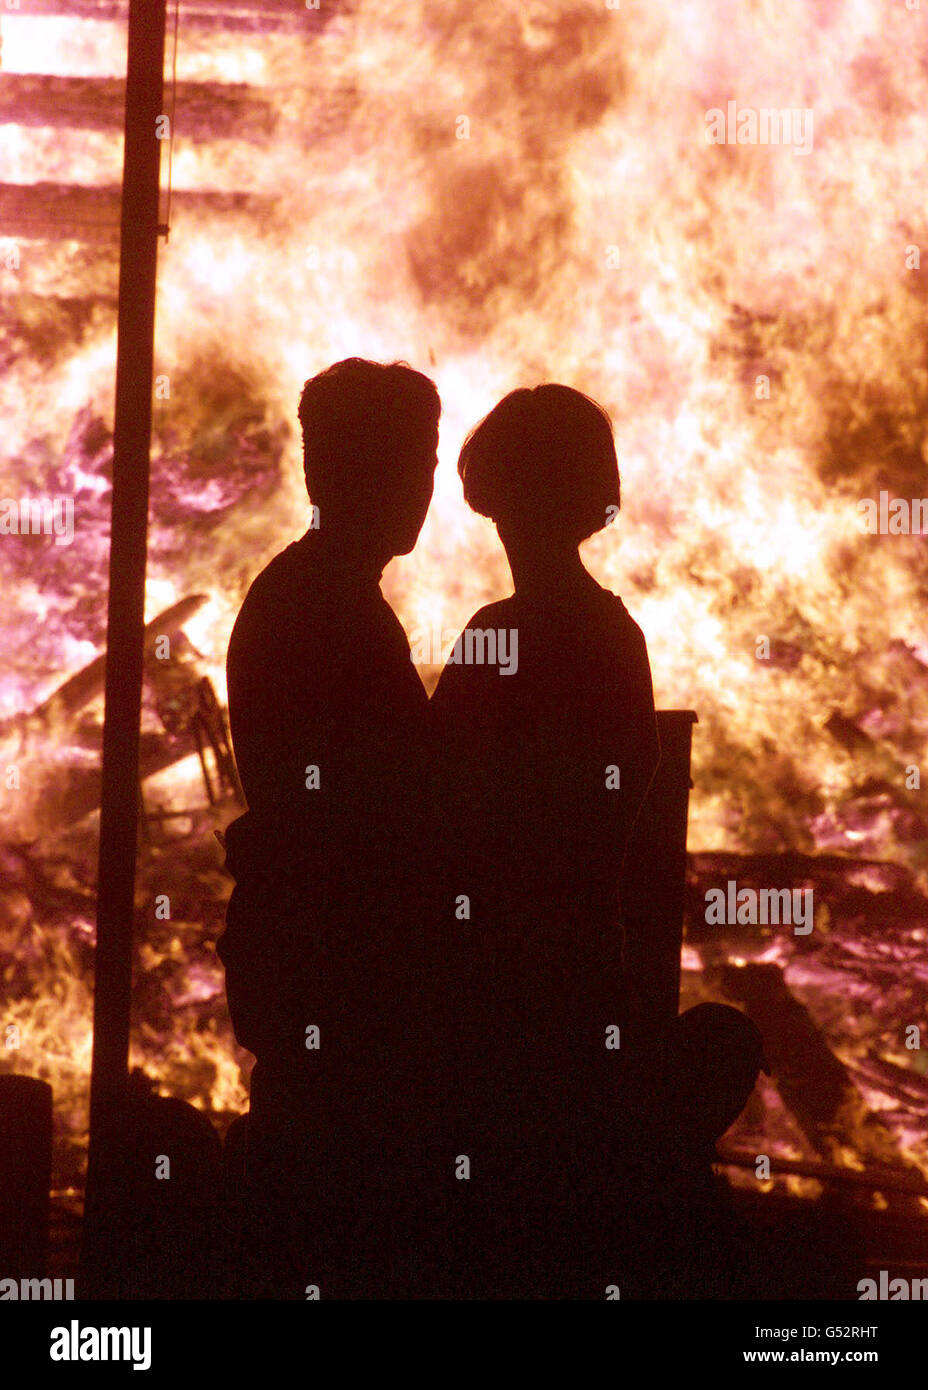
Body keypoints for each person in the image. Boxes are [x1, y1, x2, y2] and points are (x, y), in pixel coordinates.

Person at [429, 385, 763, 1296]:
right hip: (590, 970)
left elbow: (440, 808)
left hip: (498, 989)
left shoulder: (501, 637)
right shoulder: (617, 636)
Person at [218, 358, 442, 1298]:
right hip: (340, 977)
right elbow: (387, 812)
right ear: (330, 472)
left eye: (425, 460)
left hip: (312, 970)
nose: (421, 485)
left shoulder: (321, 596)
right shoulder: (329, 612)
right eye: (405, 459)